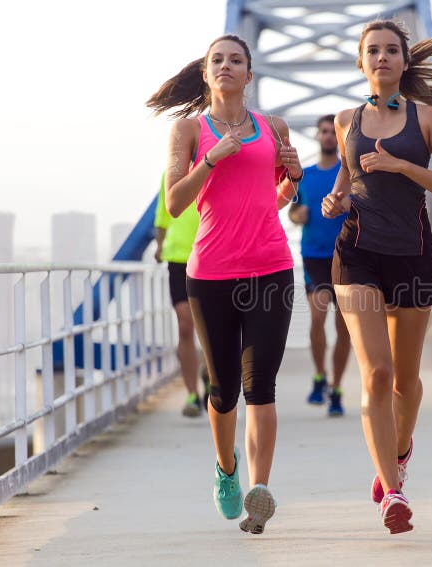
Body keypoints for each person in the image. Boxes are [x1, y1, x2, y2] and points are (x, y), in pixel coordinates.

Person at [146, 34, 303, 535]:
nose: (227, 66)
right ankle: (227, 469)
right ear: (207, 72)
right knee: (225, 390)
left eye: (237, 60)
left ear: (249, 75)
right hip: (210, 273)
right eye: (218, 60)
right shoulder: (188, 131)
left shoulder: (272, 127)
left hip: (271, 267)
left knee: (262, 387)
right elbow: (174, 204)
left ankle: (260, 490)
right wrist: (212, 159)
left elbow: (272, 198)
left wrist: (292, 179)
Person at [321, 19, 432, 534]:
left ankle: (400, 452)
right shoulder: (346, 119)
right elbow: (348, 175)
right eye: (373, 51)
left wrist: (403, 168)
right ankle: (392, 491)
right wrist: (335, 197)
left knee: (406, 380)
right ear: (361, 64)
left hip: (412, 253)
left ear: (405, 63)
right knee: (378, 375)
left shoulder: (427, 117)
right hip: (357, 254)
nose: (382, 58)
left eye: (391, 51)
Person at [288, 115, 351, 417]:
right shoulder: (306, 176)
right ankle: (319, 375)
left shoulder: (349, 174)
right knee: (317, 318)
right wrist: (297, 215)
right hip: (313, 255)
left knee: (344, 328)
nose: (328, 137)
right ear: (317, 136)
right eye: (323, 132)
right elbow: (293, 210)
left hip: (348, 256)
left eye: (332, 132)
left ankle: (336, 388)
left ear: (338, 139)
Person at [153, 172, 210, 417]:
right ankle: (191, 394)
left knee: (212, 328)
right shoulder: (171, 172)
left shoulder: (216, 163)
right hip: (177, 258)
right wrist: (159, 246)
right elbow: (162, 215)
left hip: (210, 253)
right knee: (185, 325)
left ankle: (210, 377)